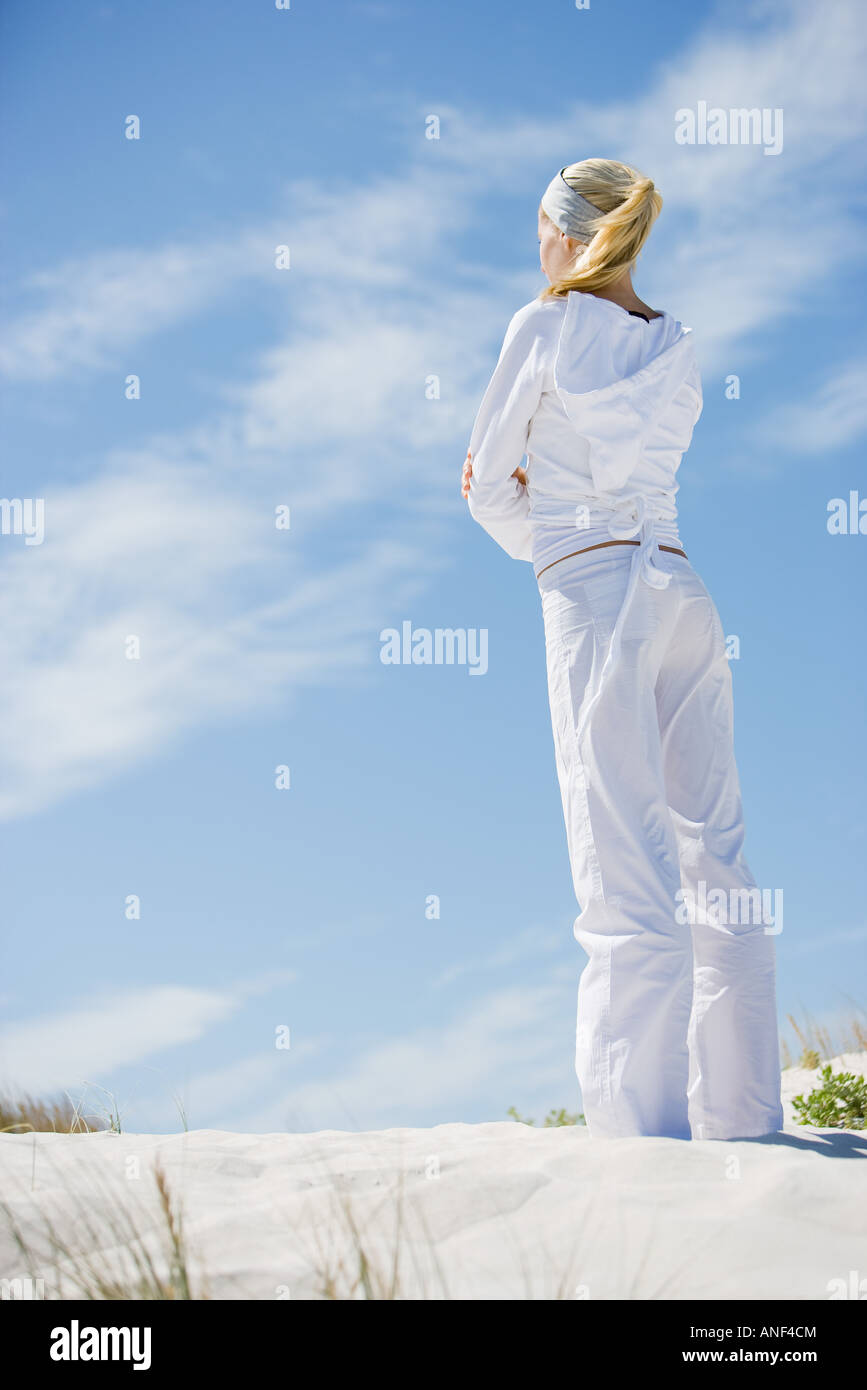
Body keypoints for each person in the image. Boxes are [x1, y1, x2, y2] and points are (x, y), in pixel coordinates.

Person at [461, 158, 784, 1141]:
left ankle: (640, 1138)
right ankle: (744, 1119)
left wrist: (545, 534)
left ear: (564, 232)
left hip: (598, 590)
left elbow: (484, 486)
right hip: (683, 583)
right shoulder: (676, 344)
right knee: (716, 858)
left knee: (620, 856)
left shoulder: (542, 324)